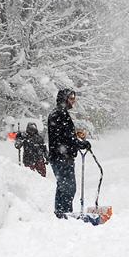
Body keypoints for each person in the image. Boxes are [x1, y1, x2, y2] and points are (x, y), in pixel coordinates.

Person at [47, 89, 92, 218]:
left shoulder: (59, 113)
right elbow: (66, 137)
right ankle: (65, 215)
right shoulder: (60, 114)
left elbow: (66, 135)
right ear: (64, 99)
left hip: (61, 157)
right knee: (68, 188)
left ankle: (62, 214)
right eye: (71, 98)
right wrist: (79, 144)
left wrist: (77, 141)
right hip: (61, 157)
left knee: (63, 187)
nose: (74, 101)